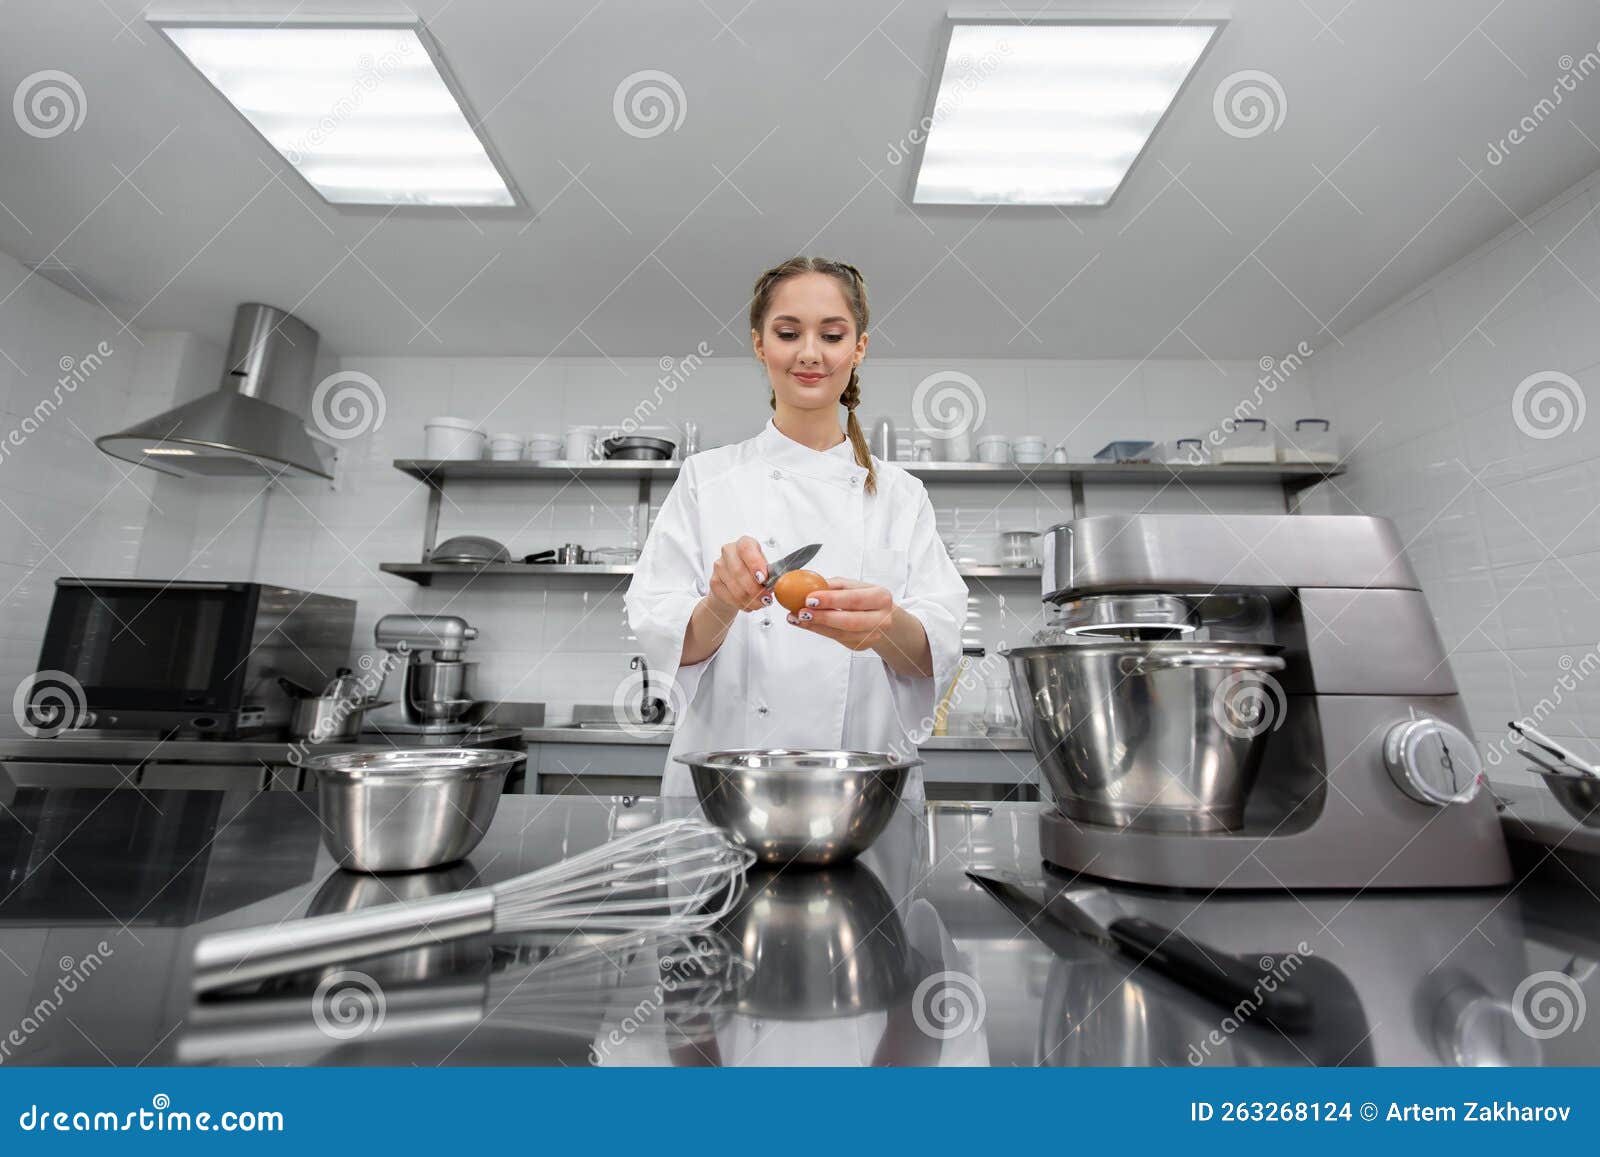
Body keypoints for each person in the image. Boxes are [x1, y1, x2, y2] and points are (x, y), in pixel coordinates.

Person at [625, 256, 968, 800]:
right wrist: (720, 600)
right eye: (788, 333)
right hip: (725, 783)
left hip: (863, 785)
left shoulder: (902, 495)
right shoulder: (707, 479)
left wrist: (884, 627)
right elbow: (667, 644)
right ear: (760, 344)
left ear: (859, 348)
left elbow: (936, 651)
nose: (810, 353)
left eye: (832, 335)